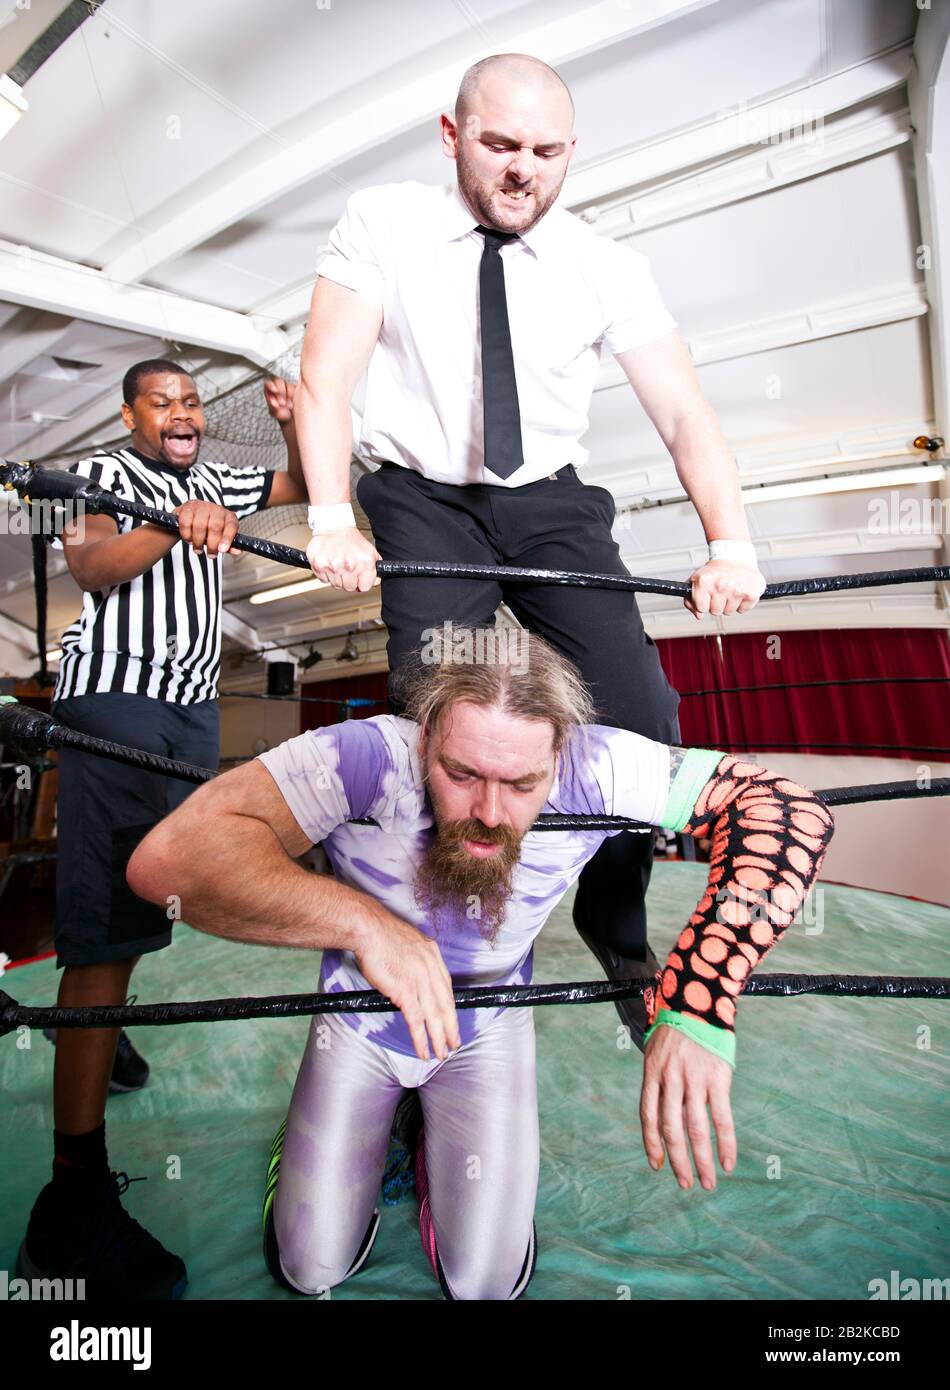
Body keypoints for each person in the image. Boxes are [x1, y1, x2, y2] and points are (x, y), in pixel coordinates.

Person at [127, 627, 834, 1301]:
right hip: (360, 1017)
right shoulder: (370, 754)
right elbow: (169, 860)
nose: (489, 814)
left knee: (486, 1285)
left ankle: (428, 1143)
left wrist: (700, 996)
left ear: (560, 754)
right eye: (461, 773)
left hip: (490, 1023)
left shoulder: (598, 765)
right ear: (425, 736)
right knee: (310, 1266)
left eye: (522, 784)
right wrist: (365, 924)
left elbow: (784, 806)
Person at [293, 51, 767, 1052]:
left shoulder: (605, 263)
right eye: (500, 144)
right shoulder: (384, 220)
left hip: (548, 502)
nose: (523, 169)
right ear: (451, 133)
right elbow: (326, 375)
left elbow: (682, 411)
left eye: (545, 151)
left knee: (641, 716)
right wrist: (331, 512)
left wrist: (729, 539)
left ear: (570, 152)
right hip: (421, 497)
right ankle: (440, 938)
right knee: (443, 721)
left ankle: (611, 915)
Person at [17, 363, 307, 1301]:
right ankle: (71, 1201)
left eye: (191, 402)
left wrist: (300, 421)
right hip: (116, 697)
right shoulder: (103, 472)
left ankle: (106, 1036)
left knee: (153, 889)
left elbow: (300, 486)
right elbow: (91, 565)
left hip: (189, 709)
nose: (181, 413)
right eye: (162, 401)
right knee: (104, 919)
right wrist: (168, 522)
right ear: (130, 413)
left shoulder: (217, 478)